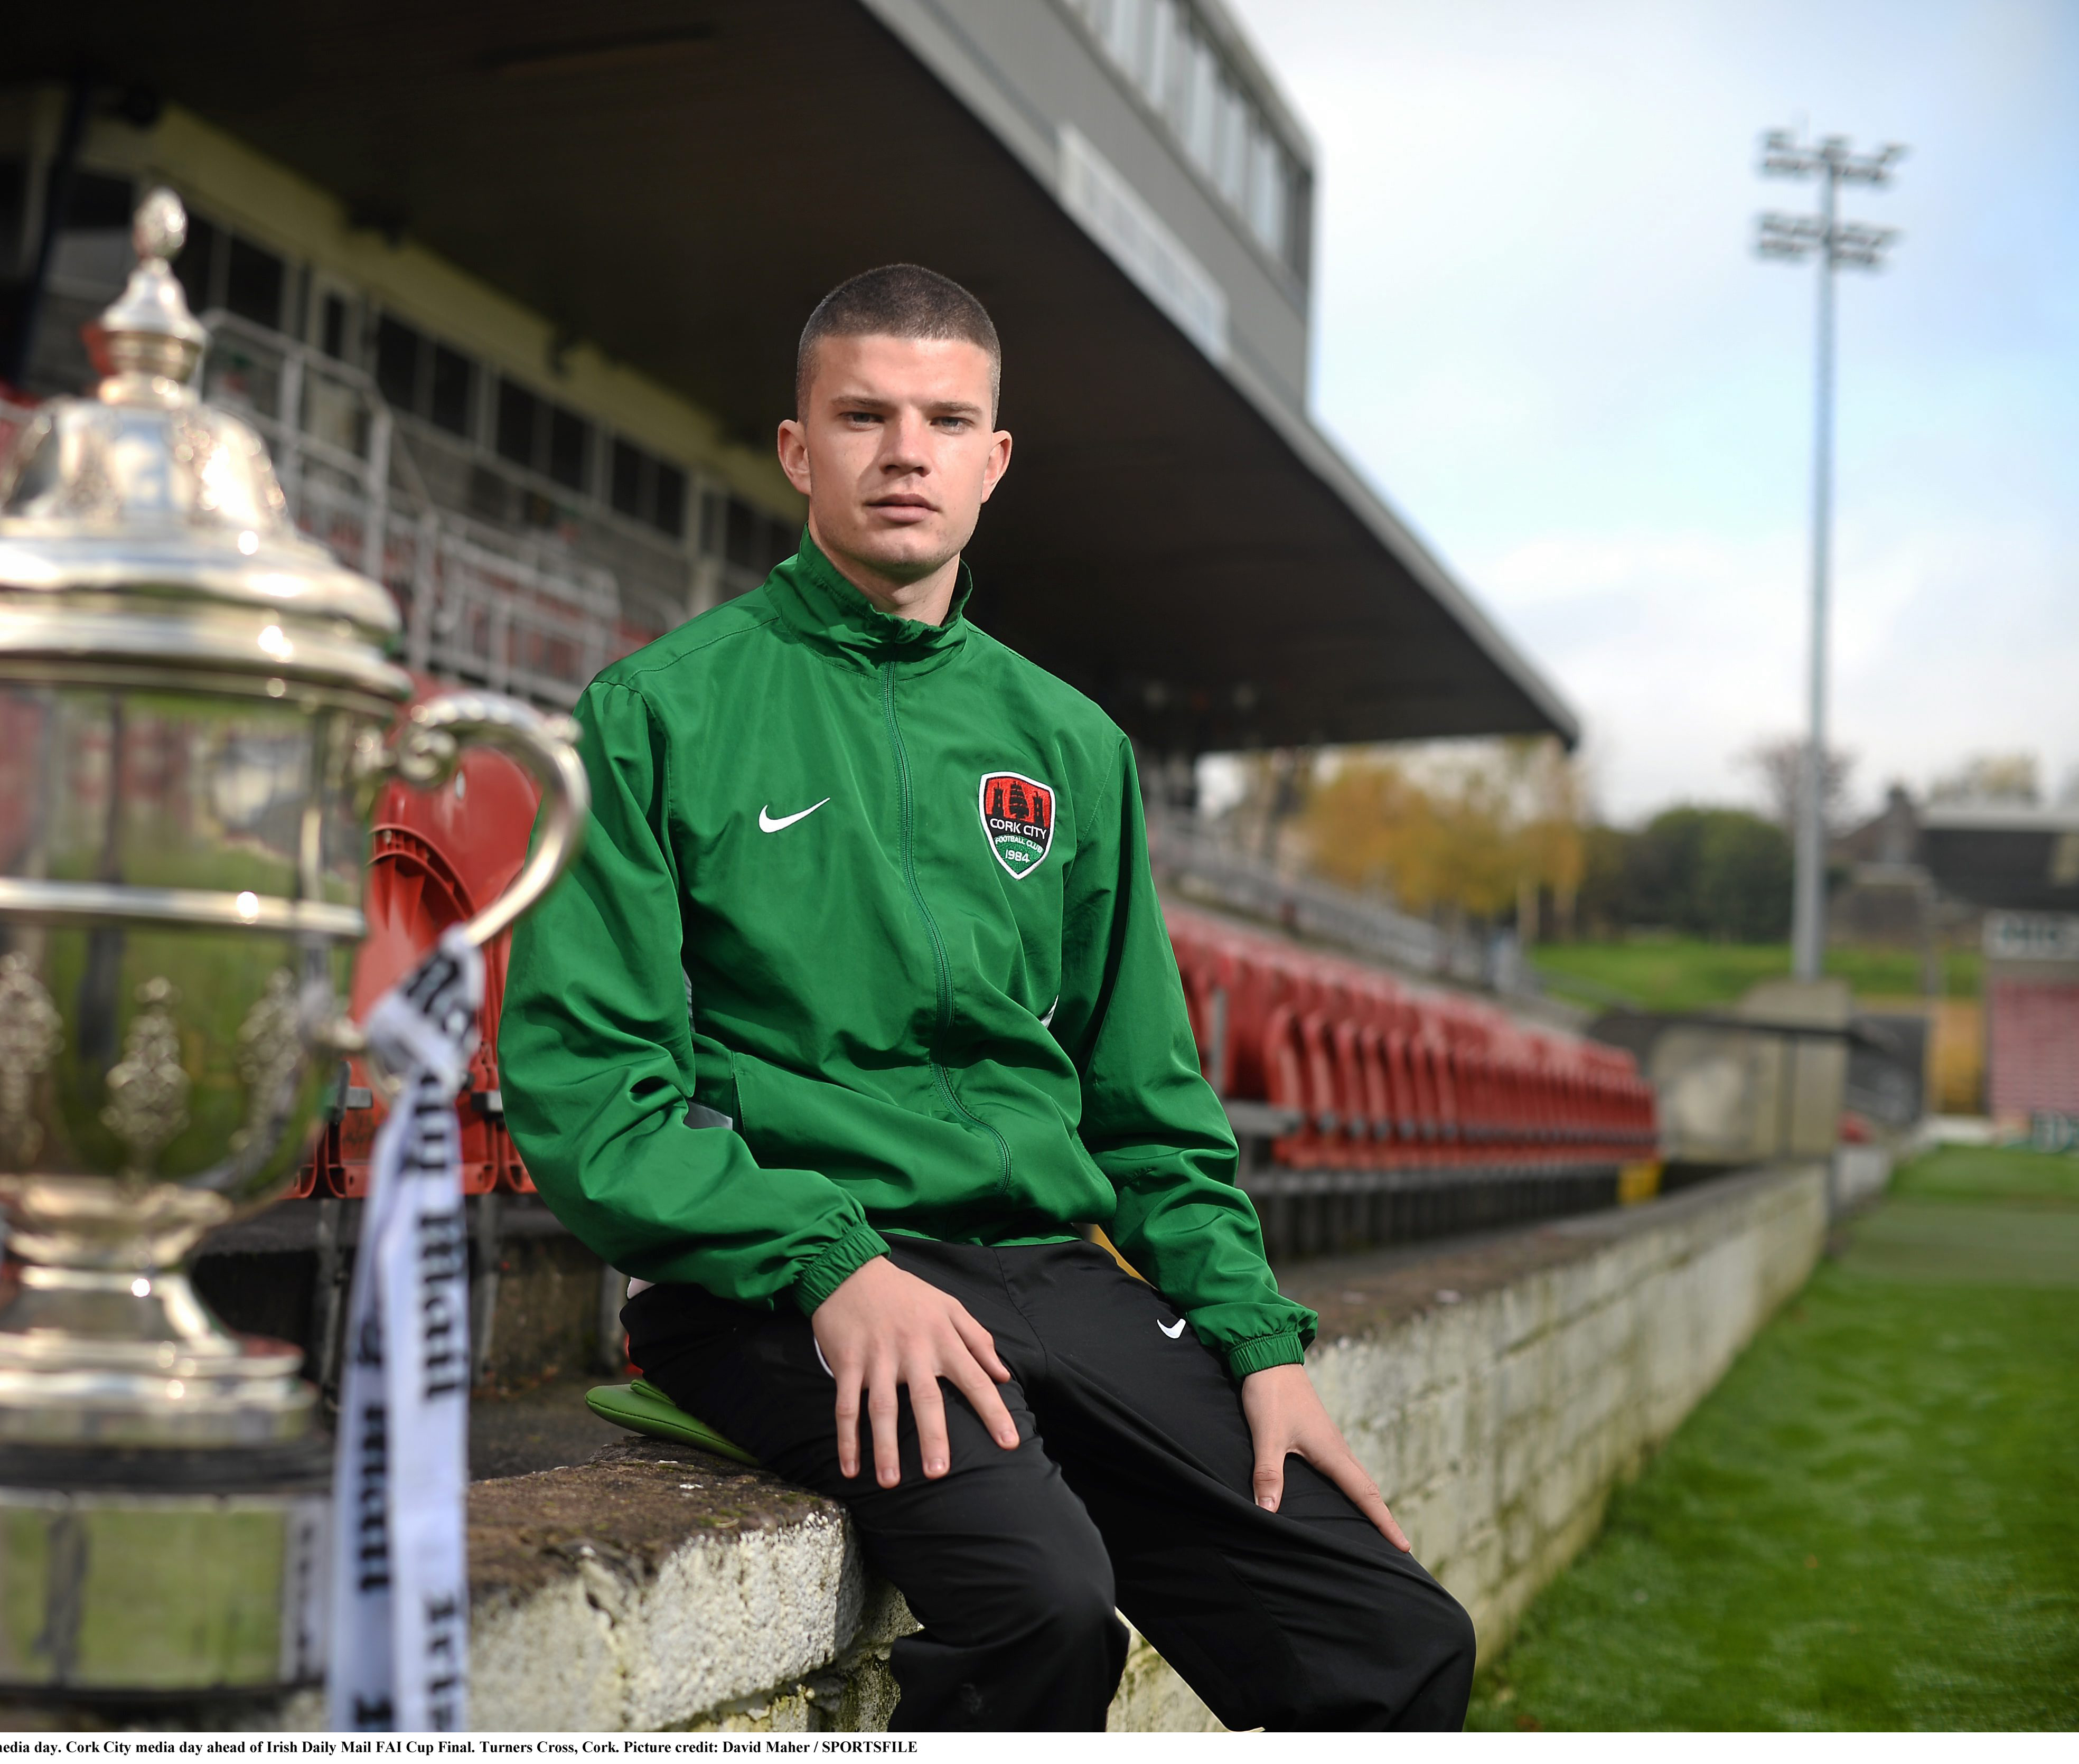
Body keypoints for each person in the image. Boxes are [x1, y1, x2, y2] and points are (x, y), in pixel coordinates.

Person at [500, 265, 1475, 1731]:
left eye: (947, 418)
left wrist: (1260, 1347)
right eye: (865, 415)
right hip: (783, 1279)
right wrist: (829, 1259)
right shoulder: (658, 715)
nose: (907, 450)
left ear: (994, 459)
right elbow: (593, 1099)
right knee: (1046, 1609)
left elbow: (1149, 1101)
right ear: (798, 449)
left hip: (1049, 1277)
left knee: (1394, 1633)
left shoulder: (1071, 746)